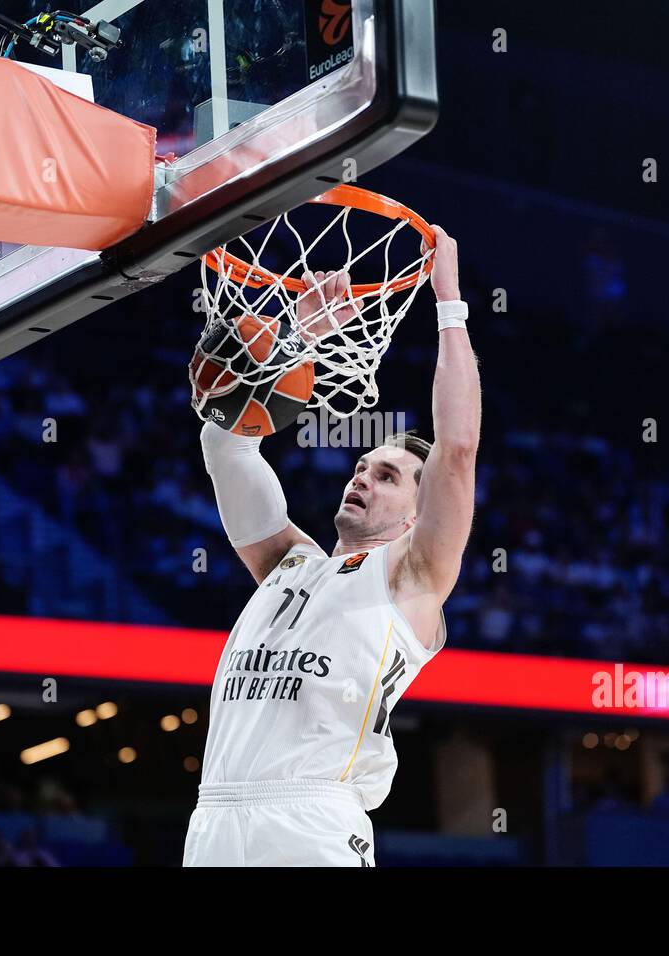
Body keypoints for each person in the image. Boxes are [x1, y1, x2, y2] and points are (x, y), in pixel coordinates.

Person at [184, 226, 480, 866]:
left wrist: (448, 302)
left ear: (417, 515)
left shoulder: (411, 582)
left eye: (388, 475)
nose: (362, 476)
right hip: (213, 818)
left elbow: (456, 454)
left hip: (311, 818)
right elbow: (224, 444)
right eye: (363, 466)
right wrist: (298, 338)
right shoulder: (288, 565)